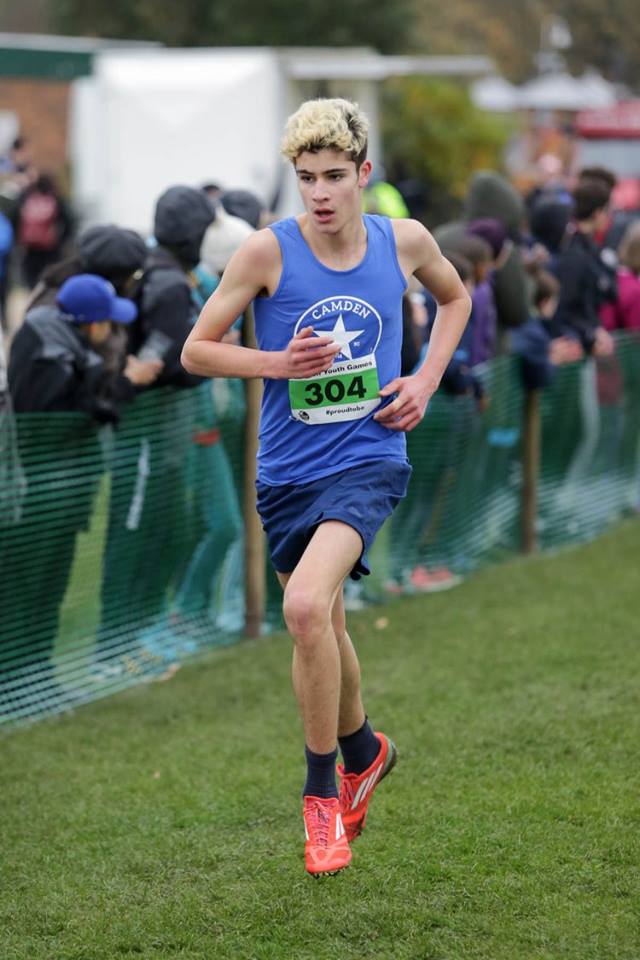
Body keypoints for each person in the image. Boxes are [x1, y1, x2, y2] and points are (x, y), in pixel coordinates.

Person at [181, 97, 471, 877]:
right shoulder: (263, 254)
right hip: (285, 474)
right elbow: (196, 351)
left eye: (334, 176)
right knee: (325, 628)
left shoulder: (402, 240)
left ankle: (321, 802)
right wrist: (276, 363)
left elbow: (457, 298)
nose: (318, 192)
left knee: (305, 606)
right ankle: (364, 749)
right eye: (305, 178)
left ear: (363, 174)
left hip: (370, 456)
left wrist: (426, 377)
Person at [1, 275, 160, 711]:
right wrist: (125, 384)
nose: (112, 330)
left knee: (51, 588)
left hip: (64, 495)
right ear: (91, 324)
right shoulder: (48, 356)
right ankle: (14, 687)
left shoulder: (64, 345)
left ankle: (40, 680)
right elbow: (77, 414)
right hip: (36, 498)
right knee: (25, 592)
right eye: (108, 321)